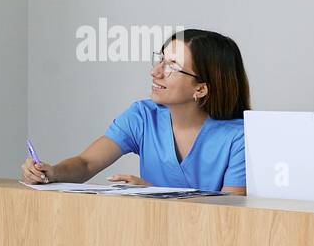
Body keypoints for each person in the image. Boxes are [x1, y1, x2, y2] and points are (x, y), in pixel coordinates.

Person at [22, 29, 251, 194]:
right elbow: (86, 164)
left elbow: (231, 214)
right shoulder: (142, 116)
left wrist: (159, 194)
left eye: (172, 66)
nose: (155, 72)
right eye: (160, 60)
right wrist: (51, 172)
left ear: (200, 89)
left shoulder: (239, 138)